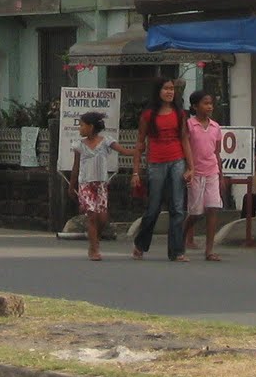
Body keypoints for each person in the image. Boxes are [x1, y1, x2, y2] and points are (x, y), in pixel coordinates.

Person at [130, 77, 193, 261]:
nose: (169, 92)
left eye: (172, 89)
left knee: (178, 207)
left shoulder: (180, 113)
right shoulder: (148, 115)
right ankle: (140, 244)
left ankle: (177, 251)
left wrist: (191, 167)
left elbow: (184, 140)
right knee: (153, 208)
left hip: (177, 160)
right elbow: (140, 143)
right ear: (158, 91)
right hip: (156, 162)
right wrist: (135, 171)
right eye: (166, 88)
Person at [67, 111, 137, 261]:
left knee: (103, 218)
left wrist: (138, 150)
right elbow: (75, 167)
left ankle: (94, 240)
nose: (80, 128)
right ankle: (94, 249)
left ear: (91, 127)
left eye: (82, 125)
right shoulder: (79, 145)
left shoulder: (106, 141)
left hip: (101, 185)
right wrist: (71, 185)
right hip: (85, 184)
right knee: (92, 216)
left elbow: (124, 151)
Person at [181, 91, 225, 261]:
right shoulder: (189, 125)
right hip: (196, 173)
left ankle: (209, 250)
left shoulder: (215, 127)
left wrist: (221, 175)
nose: (209, 107)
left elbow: (217, 152)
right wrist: (187, 168)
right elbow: (184, 148)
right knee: (196, 212)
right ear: (195, 106)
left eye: (211, 103)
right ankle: (182, 236)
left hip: (212, 171)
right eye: (205, 103)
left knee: (213, 208)